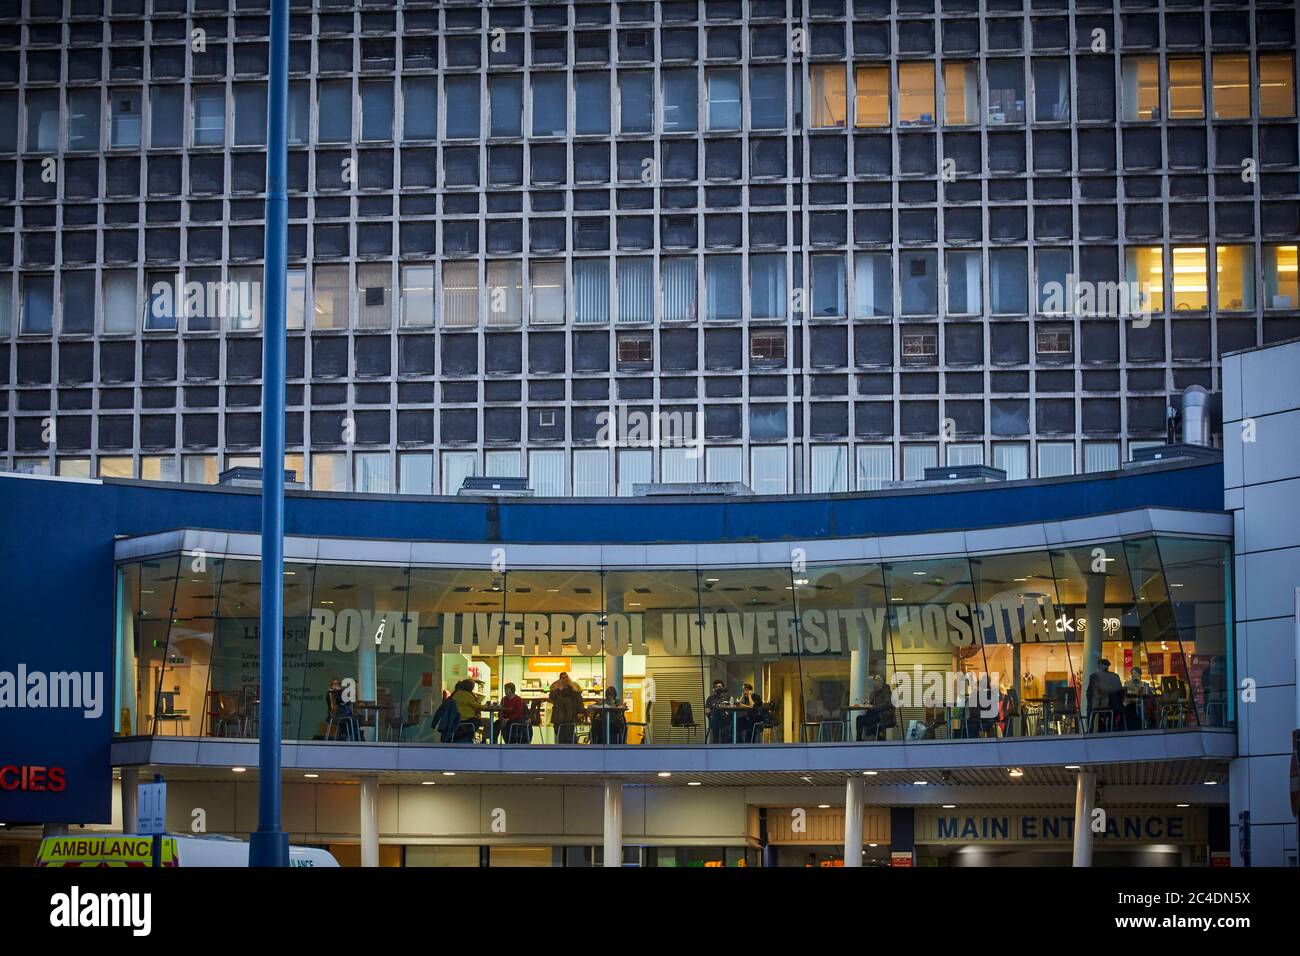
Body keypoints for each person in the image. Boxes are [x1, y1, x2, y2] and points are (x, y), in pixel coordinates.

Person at [854, 674, 895, 741]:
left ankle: (877, 737)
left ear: (882, 681)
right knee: (859, 719)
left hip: (884, 716)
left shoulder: (887, 692)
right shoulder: (873, 692)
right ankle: (859, 739)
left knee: (871, 720)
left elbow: (887, 704)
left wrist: (873, 707)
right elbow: (870, 702)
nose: (874, 682)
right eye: (874, 680)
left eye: (876, 680)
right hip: (874, 714)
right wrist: (866, 703)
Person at [1086, 658, 1123, 731]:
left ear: (1099, 666)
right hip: (1113, 707)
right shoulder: (1115, 676)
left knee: (1090, 708)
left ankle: (1090, 729)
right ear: (1108, 666)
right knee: (1116, 709)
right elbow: (1120, 692)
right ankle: (1111, 727)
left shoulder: (1094, 676)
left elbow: (1089, 692)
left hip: (1099, 705)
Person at [548, 672, 585, 743]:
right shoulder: (556, 688)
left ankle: (570, 750)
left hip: (570, 715)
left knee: (569, 736)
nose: (565, 679)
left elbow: (579, 701)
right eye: (563, 678)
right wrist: (559, 690)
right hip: (559, 716)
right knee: (560, 736)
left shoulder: (573, 688)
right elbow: (552, 698)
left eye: (566, 677)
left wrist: (581, 711)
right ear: (560, 679)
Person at [704, 678, 729, 743]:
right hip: (714, 720)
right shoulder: (710, 698)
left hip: (725, 719)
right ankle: (716, 744)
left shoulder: (727, 698)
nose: (718, 688)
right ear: (714, 689)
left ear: (723, 688)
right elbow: (706, 711)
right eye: (716, 687)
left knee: (726, 729)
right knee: (715, 717)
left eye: (720, 687)